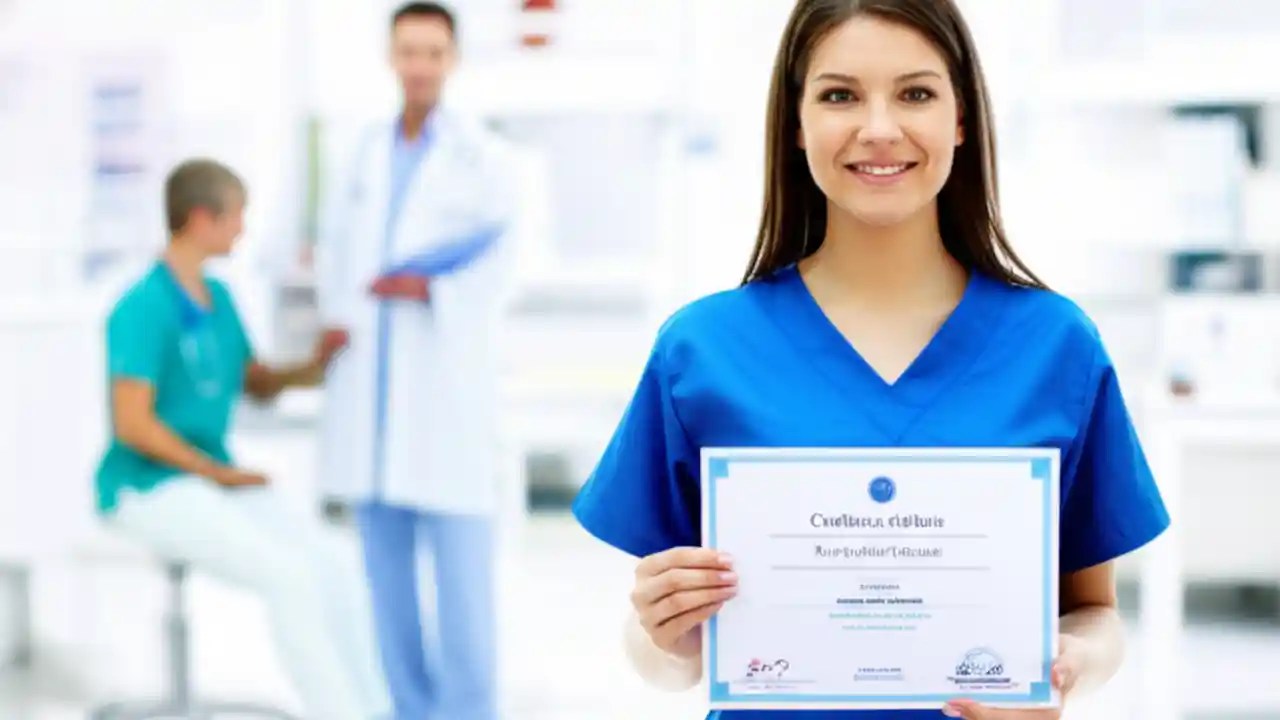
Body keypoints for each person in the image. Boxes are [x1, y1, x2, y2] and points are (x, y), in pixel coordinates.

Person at [570, 1, 1171, 720]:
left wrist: (1070, 667)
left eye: (915, 93)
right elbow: (668, 657)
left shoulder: (1056, 345)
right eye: (840, 95)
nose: (879, 128)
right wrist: (665, 635)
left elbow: (1095, 613)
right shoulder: (702, 349)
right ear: (796, 124)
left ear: (960, 118)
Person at [95, 159, 390, 720]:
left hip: (213, 479)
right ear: (200, 219)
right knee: (288, 577)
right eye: (236, 216)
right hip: (147, 488)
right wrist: (217, 473)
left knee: (336, 562)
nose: (243, 230)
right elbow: (132, 424)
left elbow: (256, 383)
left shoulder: (219, 299)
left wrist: (315, 364)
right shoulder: (141, 307)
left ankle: (379, 711)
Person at [314, 3, 515, 719]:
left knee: (464, 589)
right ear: (390, 56)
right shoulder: (362, 151)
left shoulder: (483, 157)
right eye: (409, 51)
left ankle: (468, 712)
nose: (420, 66)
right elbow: (336, 254)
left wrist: (431, 288)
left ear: (452, 59)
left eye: (433, 52)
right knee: (385, 587)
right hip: (366, 397)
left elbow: (506, 265)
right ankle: (406, 709)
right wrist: (332, 316)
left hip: (445, 396)